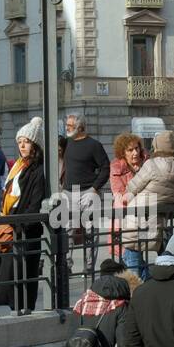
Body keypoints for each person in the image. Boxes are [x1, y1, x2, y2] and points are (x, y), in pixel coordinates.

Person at [0, 117, 47, 312]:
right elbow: (8, 194)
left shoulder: (39, 170)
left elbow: (35, 204)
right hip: (12, 230)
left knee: (22, 282)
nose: (22, 146)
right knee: (9, 281)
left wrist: (15, 224)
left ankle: (24, 315)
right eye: (20, 142)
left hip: (24, 232)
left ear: (36, 144)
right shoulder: (18, 166)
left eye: (27, 141)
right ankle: (18, 313)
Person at [124, 130, 174, 281]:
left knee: (132, 257)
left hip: (137, 217)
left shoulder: (151, 165)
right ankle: (162, 286)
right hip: (160, 221)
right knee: (165, 259)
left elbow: (132, 187)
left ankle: (139, 292)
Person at [62, 113, 110, 271]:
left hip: (89, 191)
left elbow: (105, 167)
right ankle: (67, 265)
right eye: (67, 125)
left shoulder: (94, 145)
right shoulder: (66, 143)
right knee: (67, 230)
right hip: (68, 192)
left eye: (70, 126)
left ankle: (89, 267)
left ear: (80, 127)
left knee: (90, 231)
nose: (67, 128)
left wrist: (94, 189)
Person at [109, 132, 147, 267]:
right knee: (130, 257)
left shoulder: (147, 163)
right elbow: (119, 193)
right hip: (126, 215)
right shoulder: (116, 167)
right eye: (130, 150)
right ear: (122, 152)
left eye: (137, 148)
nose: (135, 153)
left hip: (147, 214)